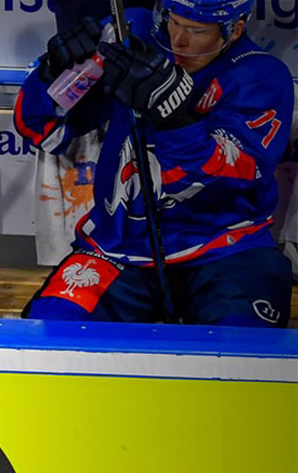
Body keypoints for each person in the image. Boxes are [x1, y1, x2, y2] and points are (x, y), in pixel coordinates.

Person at [16, 0, 293, 325]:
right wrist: (55, 75)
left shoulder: (262, 76)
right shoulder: (132, 30)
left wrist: (175, 117)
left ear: (235, 29)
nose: (178, 39)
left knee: (241, 355)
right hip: (119, 248)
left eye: (196, 30)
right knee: (52, 335)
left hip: (227, 250)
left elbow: (225, 180)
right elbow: (41, 129)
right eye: (173, 22)